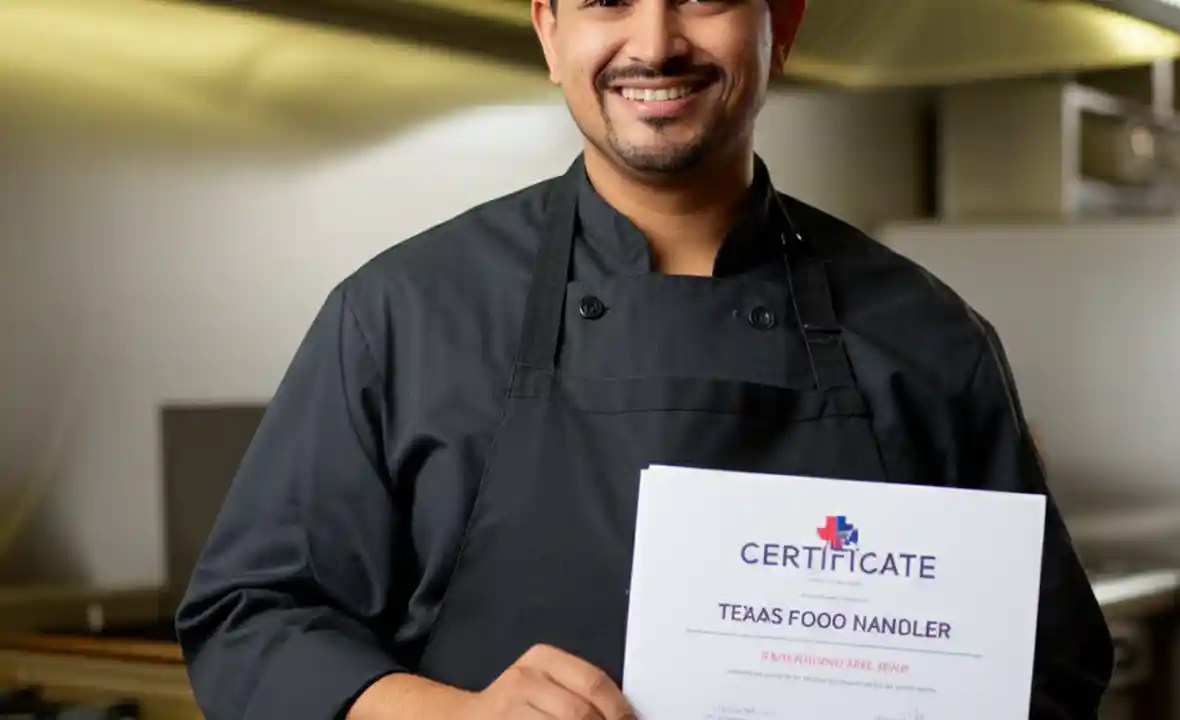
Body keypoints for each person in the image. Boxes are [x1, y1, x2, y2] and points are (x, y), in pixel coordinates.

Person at [175, 0, 1115, 717]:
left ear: (780, 24)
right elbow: (249, 615)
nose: (655, 42)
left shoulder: (929, 337)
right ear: (548, 30)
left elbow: (1050, 662)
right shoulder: (401, 313)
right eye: (604, 0)